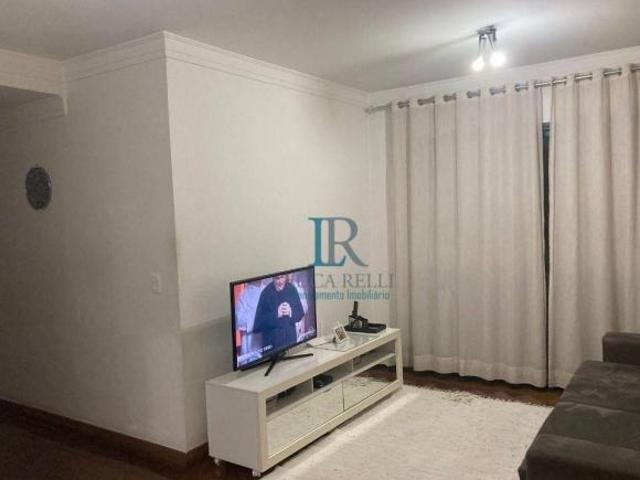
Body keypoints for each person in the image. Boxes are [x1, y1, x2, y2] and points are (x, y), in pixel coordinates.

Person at [252, 274, 305, 353]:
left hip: (291, 345)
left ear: (286, 277)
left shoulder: (292, 289)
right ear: (273, 278)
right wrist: (276, 314)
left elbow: (300, 313)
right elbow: (257, 326)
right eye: (277, 278)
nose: (280, 281)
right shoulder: (265, 293)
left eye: (282, 277)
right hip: (272, 350)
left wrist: (290, 312)